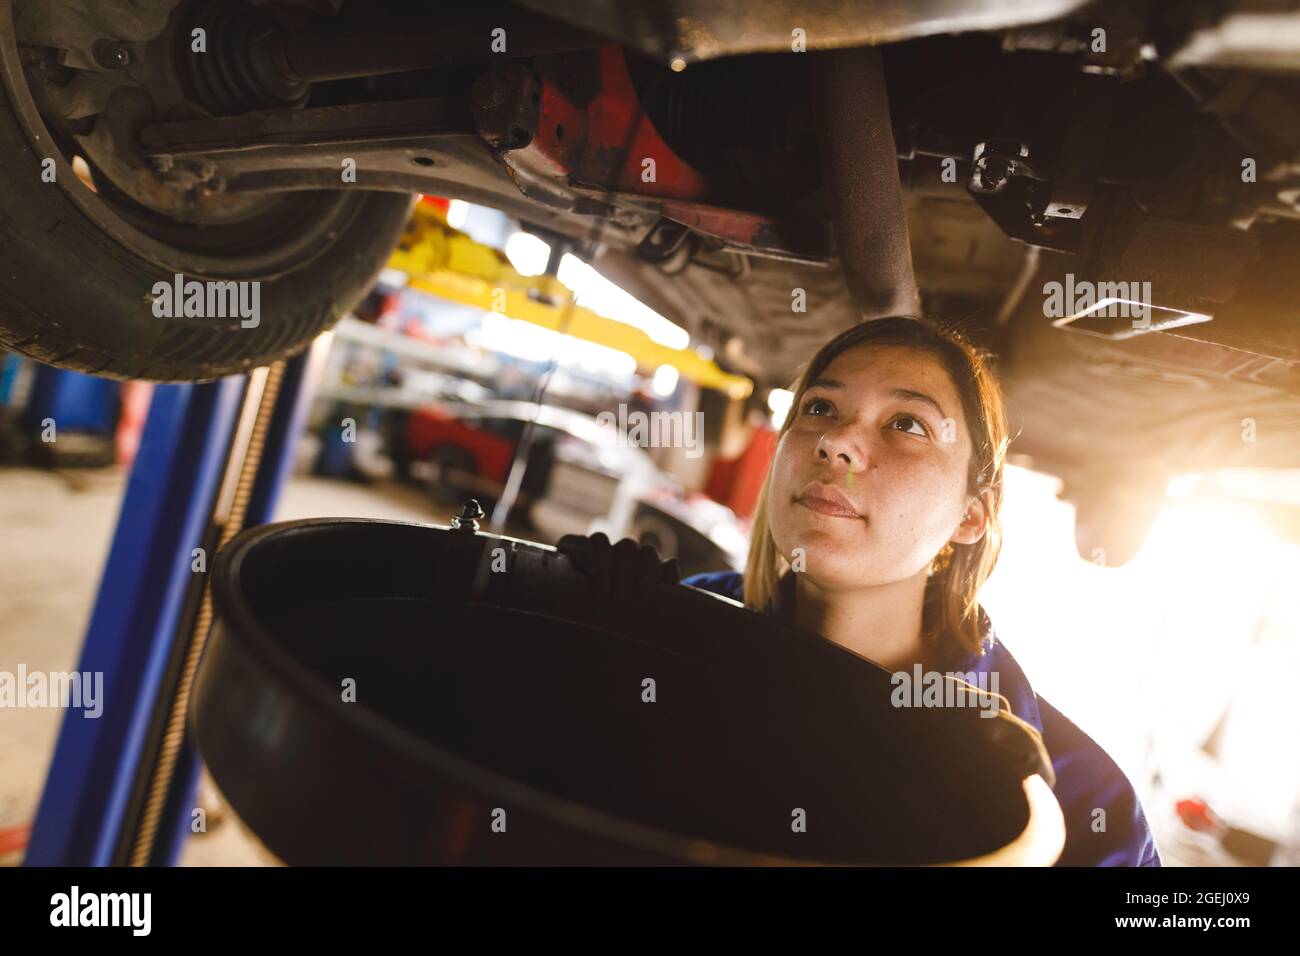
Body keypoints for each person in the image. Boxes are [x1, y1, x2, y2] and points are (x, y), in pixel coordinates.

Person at [559, 316, 1161, 867]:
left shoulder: (1086, 801)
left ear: (971, 517)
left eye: (906, 424)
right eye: (820, 408)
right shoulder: (670, 624)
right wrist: (578, 646)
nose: (835, 443)